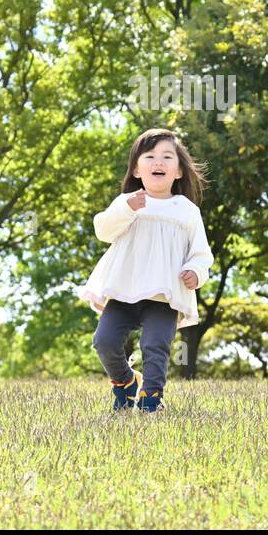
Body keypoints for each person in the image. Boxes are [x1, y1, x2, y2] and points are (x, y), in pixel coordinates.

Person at [80, 128, 213, 413]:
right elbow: (103, 230)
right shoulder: (127, 202)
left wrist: (195, 272)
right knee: (104, 341)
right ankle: (125, 382)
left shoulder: (186, 210)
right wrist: (127, 209)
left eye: (167, 156)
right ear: (137, 170)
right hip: (123, 291)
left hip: (164, 295)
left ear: (178, 171)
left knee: (155, 346)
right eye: (150, 156)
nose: (158, 162)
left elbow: (201, 254)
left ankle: (151, 399)